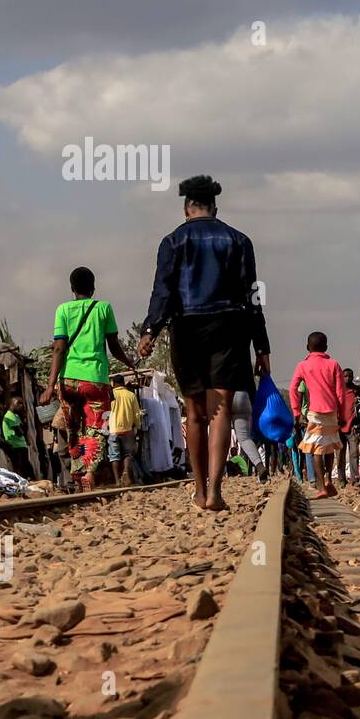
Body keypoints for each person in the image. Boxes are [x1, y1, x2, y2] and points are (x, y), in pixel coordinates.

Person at [138, 175, 271, 512]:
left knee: (195, 413)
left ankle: (198, 491)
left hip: (187, 330)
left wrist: (150, 330)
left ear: (186, 208)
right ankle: (215, 491)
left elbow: (162, 292)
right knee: (222, 410)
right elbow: (253, 297)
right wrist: (262, 346)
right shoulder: (239, 241)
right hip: (229, 328)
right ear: (215, 206)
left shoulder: (172, 241)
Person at [39, 267, 135, 491]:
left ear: (72, 289)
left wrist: (50, 385)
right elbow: (113, 346)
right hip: (95, 380)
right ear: (93, 287)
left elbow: (59, 349)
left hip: (69, 380)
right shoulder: (104, 309)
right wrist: (129, 361)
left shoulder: (62, 310)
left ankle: (76, 472)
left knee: (73, 429)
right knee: (95, 429)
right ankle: (89, 472)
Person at [289, 332, 352, 499]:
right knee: (329, 444)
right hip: (331, 411)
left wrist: (296, 411)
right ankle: (328, 478)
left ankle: (321, 486)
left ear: (308, 347)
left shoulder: (302, 366)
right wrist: (342, 414)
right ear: (326, 347)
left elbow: (293, 389)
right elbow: (341, 392)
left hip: (315, 412)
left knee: (316, 449)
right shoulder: (333, 364)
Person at [108, 375, 142, 486]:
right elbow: (137, 413)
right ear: (123, 383)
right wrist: (138, 426)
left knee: (114, 456)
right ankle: (126, 472)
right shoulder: (131, 395)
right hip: (128, 430)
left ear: (114, 383)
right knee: (128, 454)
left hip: (113, 430)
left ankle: (117, 481)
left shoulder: (111, 394)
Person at [231, 388, 268, 482]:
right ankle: (259, 465)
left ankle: (216, 476)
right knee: (244, 439)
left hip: (222, 393)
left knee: (221, 436)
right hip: (242, 395)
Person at [1, 396, 35, 480]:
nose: (21, 405)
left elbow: (22, 430)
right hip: (15, 445)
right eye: (18, 403)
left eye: (22, 404)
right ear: (11, 404)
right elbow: (20, 432)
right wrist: (22, 427)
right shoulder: (10, 416)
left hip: (20, 445)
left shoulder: (15, 416)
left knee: (25, 466)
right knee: (21, 467)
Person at [340, 367, 360, 485]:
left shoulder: (357, 390)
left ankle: (355, 478)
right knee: (340, 454)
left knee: (354, 453)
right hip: (339, 426)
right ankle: (341, 479)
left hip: (353, 426)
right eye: (345, 376)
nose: (347, 378)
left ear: (353, 377)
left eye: (349, 376)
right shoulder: (337, 390)